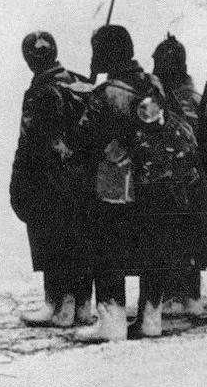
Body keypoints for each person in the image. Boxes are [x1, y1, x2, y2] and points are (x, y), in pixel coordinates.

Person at [72, 25, 168, 343]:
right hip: (156, 180)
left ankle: (112, 322)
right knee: (150, 248)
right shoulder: (153, 84)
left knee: (108, 248)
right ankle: (151, 318)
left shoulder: (107, 92)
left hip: (116, 185)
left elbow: (84, 140)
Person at [10, 31, 94, 327]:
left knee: (52, 239)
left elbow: (29, 141)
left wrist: (18, 180)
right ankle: (82, 306)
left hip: (48, 178)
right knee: (81, 238)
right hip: (83, 175)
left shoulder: (39, 91)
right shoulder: (81, 82)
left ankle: (58, 306)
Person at [151, 34, 207, 319]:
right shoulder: (197, 96)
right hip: (199, 177)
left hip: (178, 177)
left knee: (174, 233)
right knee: (193, 231)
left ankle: (177, 296)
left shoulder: (172, 99)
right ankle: (191, 295)